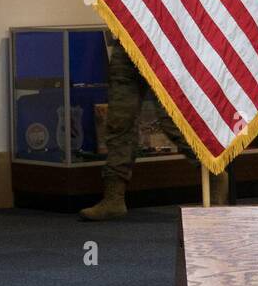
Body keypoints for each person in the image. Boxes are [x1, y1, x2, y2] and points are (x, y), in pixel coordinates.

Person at [81, 33, 230, 220]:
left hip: (165, 40)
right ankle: (114, 197)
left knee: (172, 121)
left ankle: (213, 173)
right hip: (128, 39)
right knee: (119, 121)